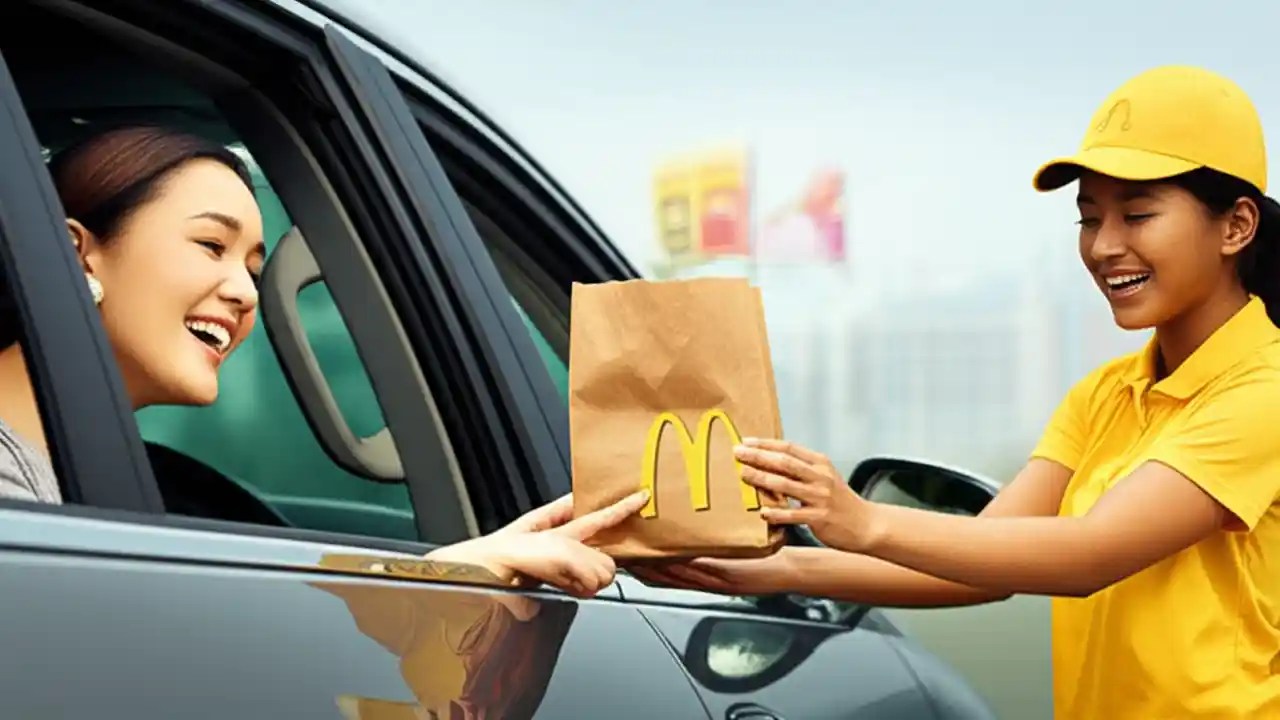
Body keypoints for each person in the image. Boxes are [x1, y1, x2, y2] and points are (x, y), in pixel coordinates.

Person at [635, 65, 1280, 718]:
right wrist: (764, 574)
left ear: (1236, 226)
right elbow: (984, 563)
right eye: (1089, 219)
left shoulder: (1265, 393)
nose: (1105, 246)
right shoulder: (1104, 395)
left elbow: (1091, 552)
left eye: (1137, 215)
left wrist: (860, 519)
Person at [0, 124, 645, 598]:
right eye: (210, 244)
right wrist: (452, 579)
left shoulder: (112, 476)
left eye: (253, 268)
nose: (245, 292)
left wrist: (454, 571)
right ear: (78, 253)